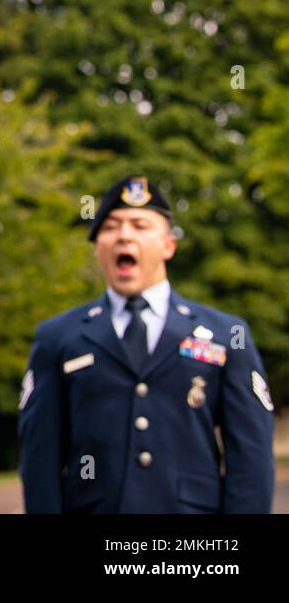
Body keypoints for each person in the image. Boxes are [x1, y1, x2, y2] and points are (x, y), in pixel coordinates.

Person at [18, 175, 275, 513]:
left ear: (168, 245)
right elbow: (40, 460)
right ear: (97, 247)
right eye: (110, 227)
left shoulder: (227, 335)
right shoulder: (57, 338)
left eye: (140, 225)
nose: (124, 235)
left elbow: (251, 457)